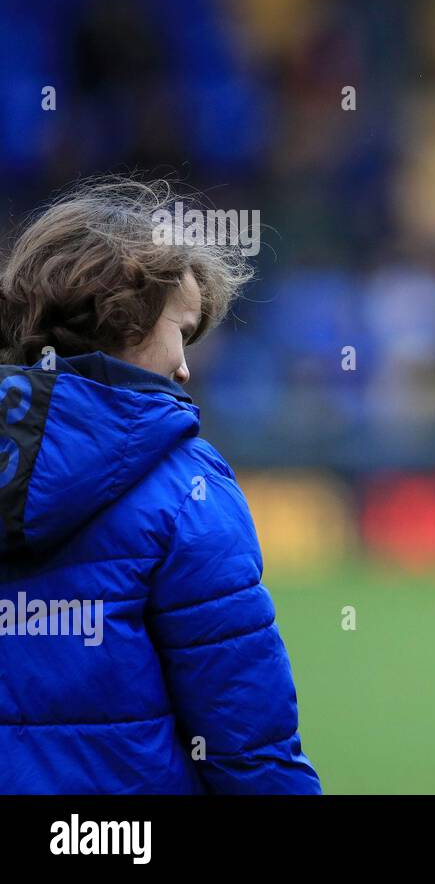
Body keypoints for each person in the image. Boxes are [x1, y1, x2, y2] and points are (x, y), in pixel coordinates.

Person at [0, 177, 321, 793]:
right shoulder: (187, 491)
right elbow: (249, 750)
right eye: (181, 329)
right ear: (126, 321)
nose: (184, 365)